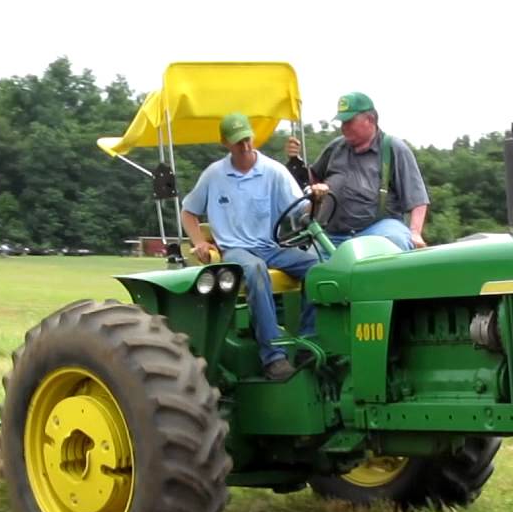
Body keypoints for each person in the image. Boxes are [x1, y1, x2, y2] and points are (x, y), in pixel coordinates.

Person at [181, 112, 317, 381]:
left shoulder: (274, 171)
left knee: (317, 266)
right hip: (235, 250)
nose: (244, 146)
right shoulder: (214, 175)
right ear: (224, 143)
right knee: (255, 270)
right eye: (237, 141)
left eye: (247, 138)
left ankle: (307, 343)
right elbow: (188, 211)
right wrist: (199, 241)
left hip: (269, 245)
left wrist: (316, 196)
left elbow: (301, 211)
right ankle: (273, 357)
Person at [286, 92, 429, 252]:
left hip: (379, 229)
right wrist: (296, 164)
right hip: (333, 234)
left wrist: (415, 233)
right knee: (308, 264)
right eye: (342, 122)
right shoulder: (335, 148)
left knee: (396, 242)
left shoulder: (393, 149)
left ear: (370, 120)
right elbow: (312, 180)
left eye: (349, 122)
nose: (343, 127)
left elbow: (417, 199)